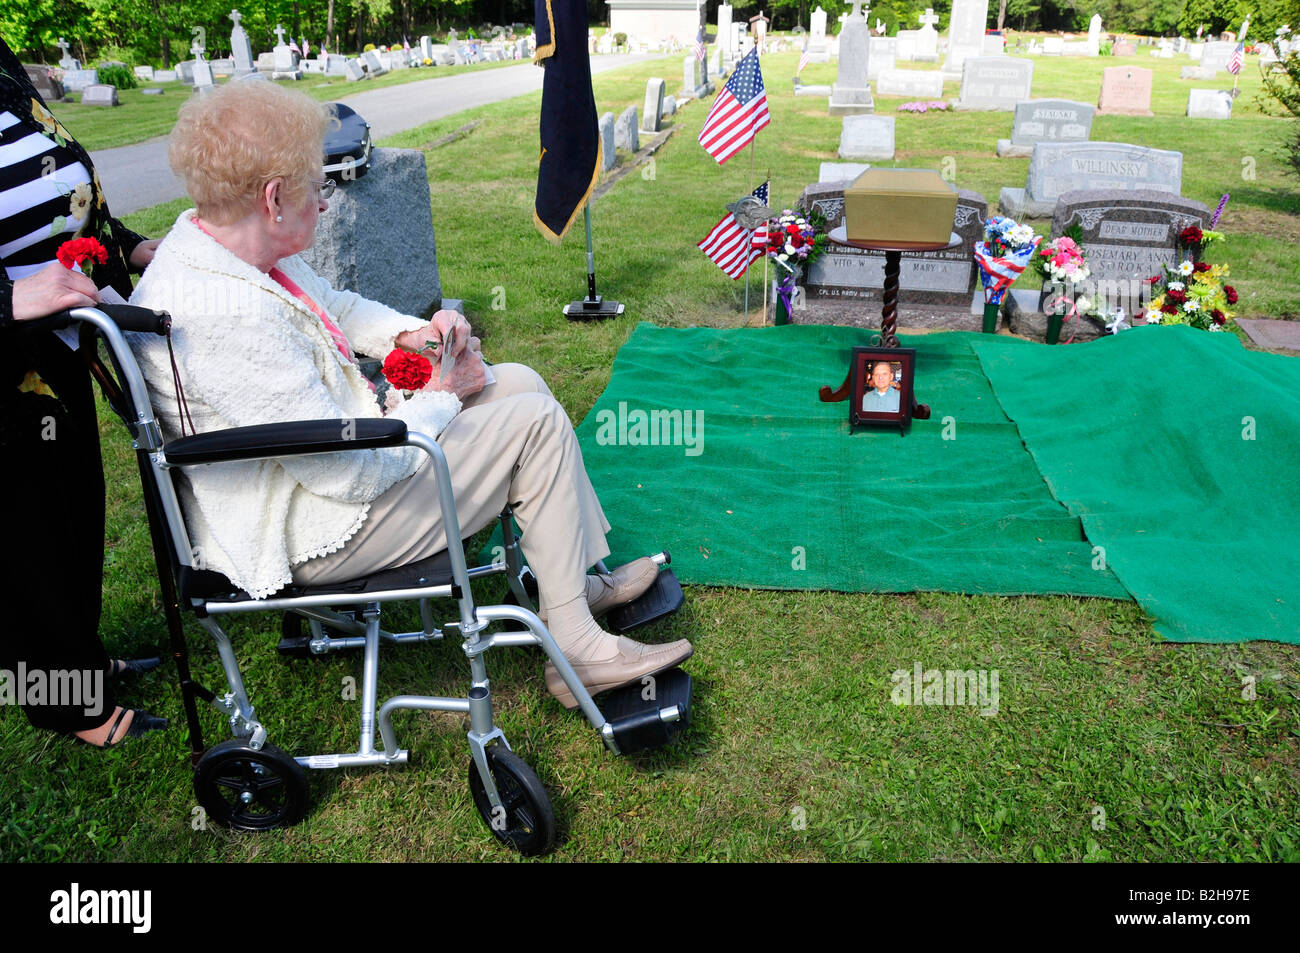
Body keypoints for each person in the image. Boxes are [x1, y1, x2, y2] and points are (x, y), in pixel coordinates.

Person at [129, 81, 692, 709]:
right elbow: (347, 474)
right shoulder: (229, 316)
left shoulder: (226, 246)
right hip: (310, 525)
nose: (326, 197)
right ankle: (578, 654)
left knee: (523, 382)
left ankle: (571, 590)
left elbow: (334, 307)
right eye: (318, 183)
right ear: (273, 197)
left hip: (324, 475)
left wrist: (416, 336)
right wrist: (444, 394)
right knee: (532, 423)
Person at [0, 38, 166, 746]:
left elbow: (61, 188)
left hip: (55, 338)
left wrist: (126, 247)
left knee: (70, 509)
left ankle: (81, 661)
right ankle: (66, 703)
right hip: (9, 352)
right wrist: (5, 300)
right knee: (24, 533)